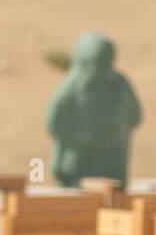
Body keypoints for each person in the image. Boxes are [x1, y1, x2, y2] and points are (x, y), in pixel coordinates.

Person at [46, 31, 143, 188]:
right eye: (94, 63)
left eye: (104, 62)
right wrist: (82, 137)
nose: (99, 69)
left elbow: (135, 116)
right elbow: (55, 122)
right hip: (78, 166)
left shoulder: (119, 85)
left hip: (113, 165)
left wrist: (113, 133)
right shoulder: (73, 87)